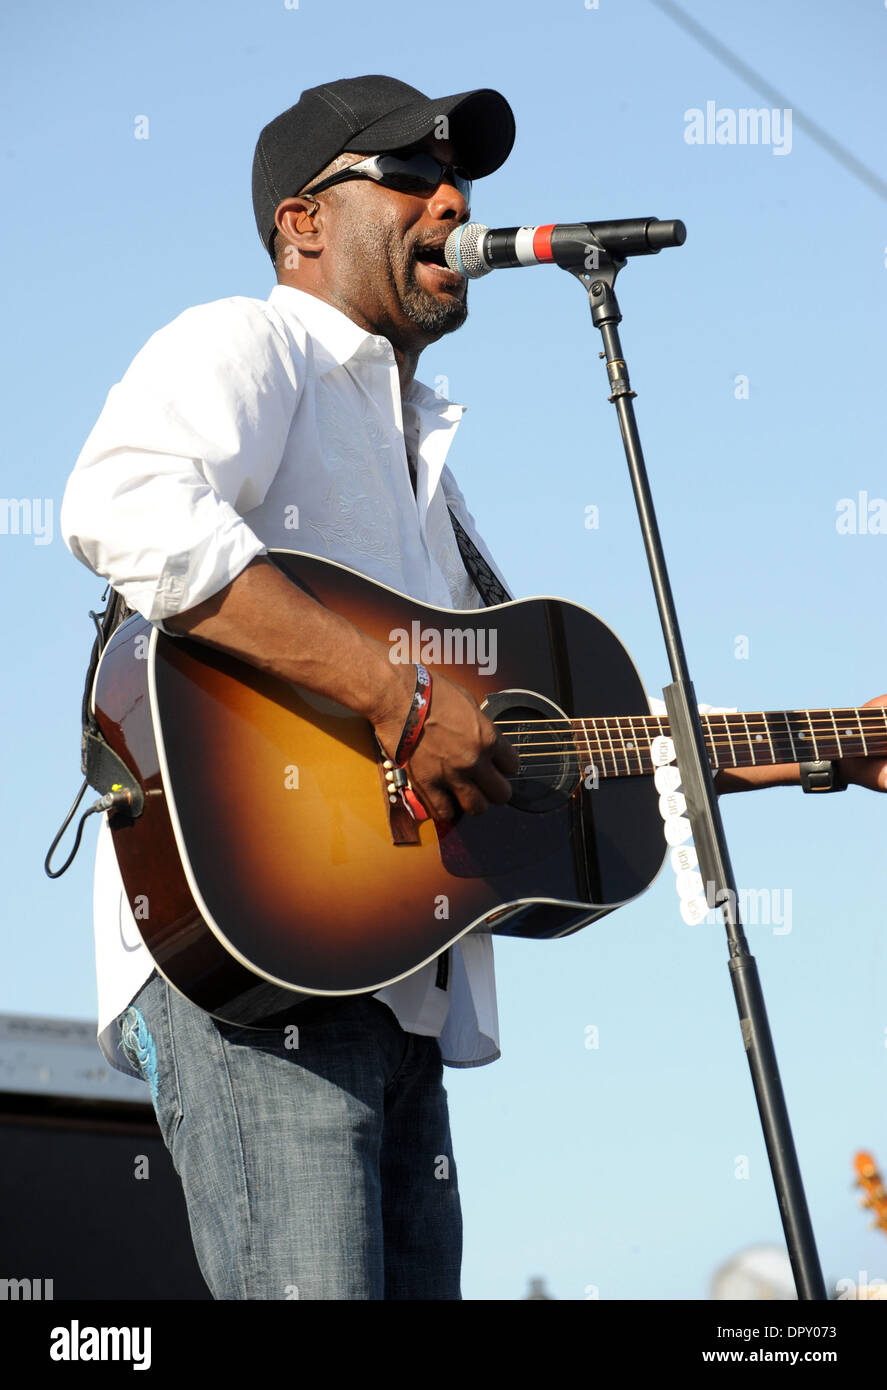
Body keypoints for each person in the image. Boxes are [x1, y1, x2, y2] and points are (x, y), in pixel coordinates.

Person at [60, 75, 887, 1301]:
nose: (451, 199)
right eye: (406, 174)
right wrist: (396, 702)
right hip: (256, 962)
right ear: (300, 223)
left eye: (460, 180)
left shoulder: (432, 477)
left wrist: (827, 744)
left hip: (394, 983)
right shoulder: (250, 342)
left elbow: (562, 740)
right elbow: (118, 505)